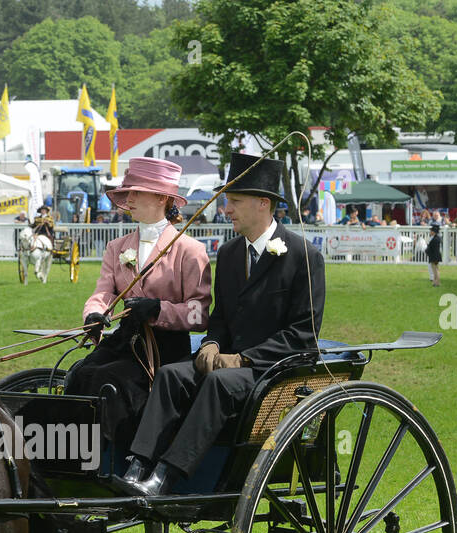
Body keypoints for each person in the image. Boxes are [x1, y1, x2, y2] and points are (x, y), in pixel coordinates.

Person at [114, 153, 325, 496]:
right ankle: (138, 466)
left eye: (234, 201)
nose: (226, 209)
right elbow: (221, 317)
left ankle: (165, 476)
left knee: (218, 383)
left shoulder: (304, 256)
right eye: (227, 201)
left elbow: (303, 334)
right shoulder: (228, 254)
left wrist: (243, 359)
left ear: (263, 203)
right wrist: (212, 342)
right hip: (227, 360)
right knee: (171, 374)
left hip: (270, 370)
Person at [62, 157, 211, 454]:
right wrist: (94, 312)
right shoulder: (116, 248)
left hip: (165, 349)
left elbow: (199, 313)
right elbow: (103, 292)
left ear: (161, 198)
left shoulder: (190, 251)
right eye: (126, 192)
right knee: (79, 374)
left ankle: (117, 457)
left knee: (108, 380)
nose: (128, 199)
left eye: (136, 192)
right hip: (124, 342)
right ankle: (74, 459)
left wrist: (158, 310)